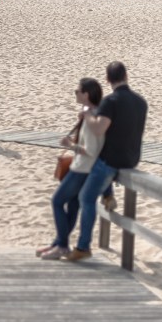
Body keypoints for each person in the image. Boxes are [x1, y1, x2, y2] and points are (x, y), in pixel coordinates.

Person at [64, 61, 147, 261]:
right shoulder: (141, 102)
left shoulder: (111, 101)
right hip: (132, 158)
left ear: (108, 80)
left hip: (111, 160)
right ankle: (108, 195)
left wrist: (88, 116)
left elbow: (99, 129)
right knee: (96, 170)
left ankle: (83, 247)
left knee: (86, 197)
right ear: (126, 75)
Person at [36, 78, 110, 260]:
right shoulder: (91, 114)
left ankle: (61, 245)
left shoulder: (93, 119)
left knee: (57, 201)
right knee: (73, 205)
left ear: (86, 94)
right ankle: (59, 243)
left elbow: (91, 151)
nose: (75, 93)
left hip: (82, 169)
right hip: (84, 168)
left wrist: (70, 145)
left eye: (78, 91)